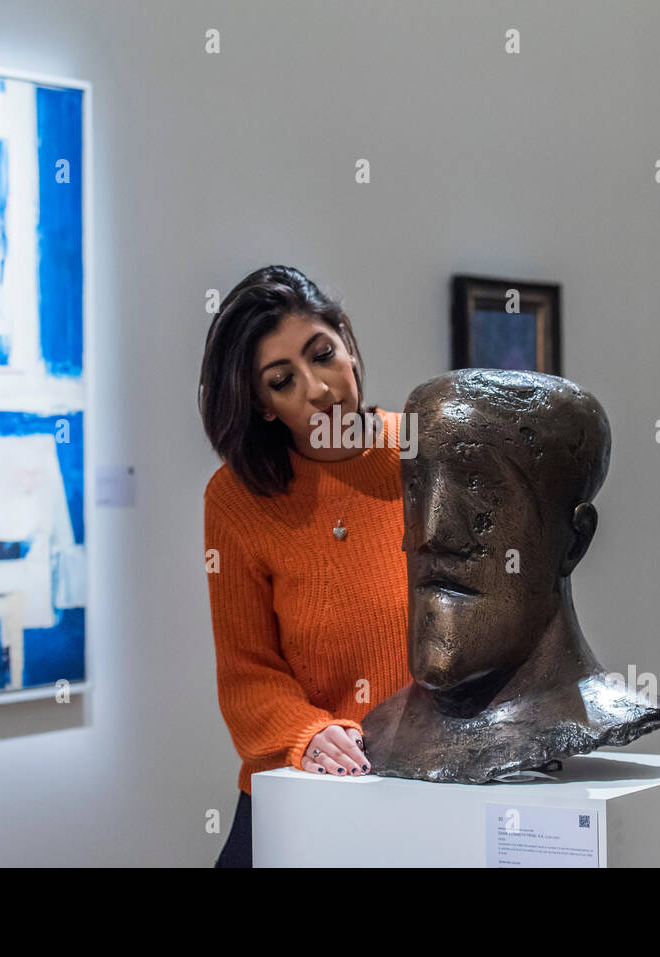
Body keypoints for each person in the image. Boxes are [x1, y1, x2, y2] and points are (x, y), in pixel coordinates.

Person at [197, 265, 410, 867]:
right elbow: (247, 671)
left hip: (424, 784)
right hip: (305, 788)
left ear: (346, 341)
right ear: (262, 404)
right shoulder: (237, 499)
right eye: (283, 380)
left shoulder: (426, 451)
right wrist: (306, 732)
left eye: (324, 355)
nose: (318, 388)